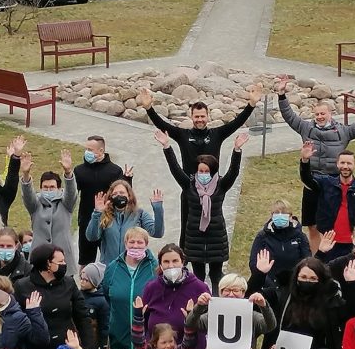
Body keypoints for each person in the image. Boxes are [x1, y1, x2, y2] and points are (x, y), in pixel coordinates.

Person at [276, 78, 355, 250]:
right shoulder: (306, 128)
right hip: (312, 181)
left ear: (330, 113)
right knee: (312, 225)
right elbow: (289, 116)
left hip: (333, 184)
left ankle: (333, 253)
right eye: (316, 115)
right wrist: (281, 94)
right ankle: (316, 257)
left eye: (323, 114)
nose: (320, 117)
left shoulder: (343, 131)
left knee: (330, 224)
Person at [141, 84, 260, 229]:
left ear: (208, 117)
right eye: (196, 116)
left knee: (213, 227)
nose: (200, 119)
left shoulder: (217, 134)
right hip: (189, 190)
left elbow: (236, 123)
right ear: (191, 117)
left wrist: (251, 104)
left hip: (212, 192)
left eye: (202, 116)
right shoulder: (182, 135)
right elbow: (162, 124)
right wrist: (149, 108)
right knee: (187, 231)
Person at [159, 130, 249, 290]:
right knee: (198, 277)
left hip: (216, 237)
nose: (203, 174)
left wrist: (237, 150)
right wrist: (167, 146)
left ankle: (216, 301)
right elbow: (175, 169)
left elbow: (233, 172)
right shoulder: (189, 185)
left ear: (212, 172)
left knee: (216, 276)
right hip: (195, 238)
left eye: (206, 171)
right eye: (200, 171)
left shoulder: (221, 185)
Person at [299, 144, 355, 260]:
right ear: (337, 164)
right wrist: (305, 161)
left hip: (354, 242)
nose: (345, 166)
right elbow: (307, 179)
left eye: (349, 163)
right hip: (330, 241)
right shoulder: (326, 183)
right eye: (342, 163)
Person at [100, 227, 158, 349]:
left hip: (149, 333)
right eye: (132, 242)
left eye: (140, 242)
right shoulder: (113, 267)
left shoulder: (154, 267)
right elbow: (107, 294)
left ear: (146, 244)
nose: (135, 245)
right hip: (123, 332)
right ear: (125, 243)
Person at [86, 180, 165, 269]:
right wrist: (97, 213)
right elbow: (91, 237)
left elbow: (157, 233)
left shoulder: (139, 214)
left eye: (122, 193)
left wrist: (158, 209)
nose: (118, 196)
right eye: (115, 194)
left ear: (129, 195)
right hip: (110, 268)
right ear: (111, 197)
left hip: (134, 267)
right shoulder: (104, 215)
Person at [74, 135, 126, 266]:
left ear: (101, 150)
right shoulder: (79, 171)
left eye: (90, 150)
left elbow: (123, 196)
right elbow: (72, 195)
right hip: (87, 221)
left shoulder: (115, 171)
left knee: (111, 261)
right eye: (86, 149)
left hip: (109, 221)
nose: (87, 152)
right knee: (85, 262)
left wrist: (127, 180)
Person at [246, 200, 313, 301]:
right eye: (276, 213)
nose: (280, 216)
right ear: (272, 215)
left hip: (294, 286)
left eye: (284, 213)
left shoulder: (300, 237)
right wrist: (270, 284)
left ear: (291, 216)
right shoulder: (262, 236)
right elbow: (253, 263)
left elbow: (307, 261)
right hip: (268, 286)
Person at [20, 152, 79, 259]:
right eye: (45, 187)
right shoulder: (35, 205)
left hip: (63, 256)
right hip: (39, 255)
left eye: (52, 187)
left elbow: (72, 193)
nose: (48, 190)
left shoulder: (66, 204)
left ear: (59, 188)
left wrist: (68, 172)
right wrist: (26, 175)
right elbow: (27, 195)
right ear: (40, 188)